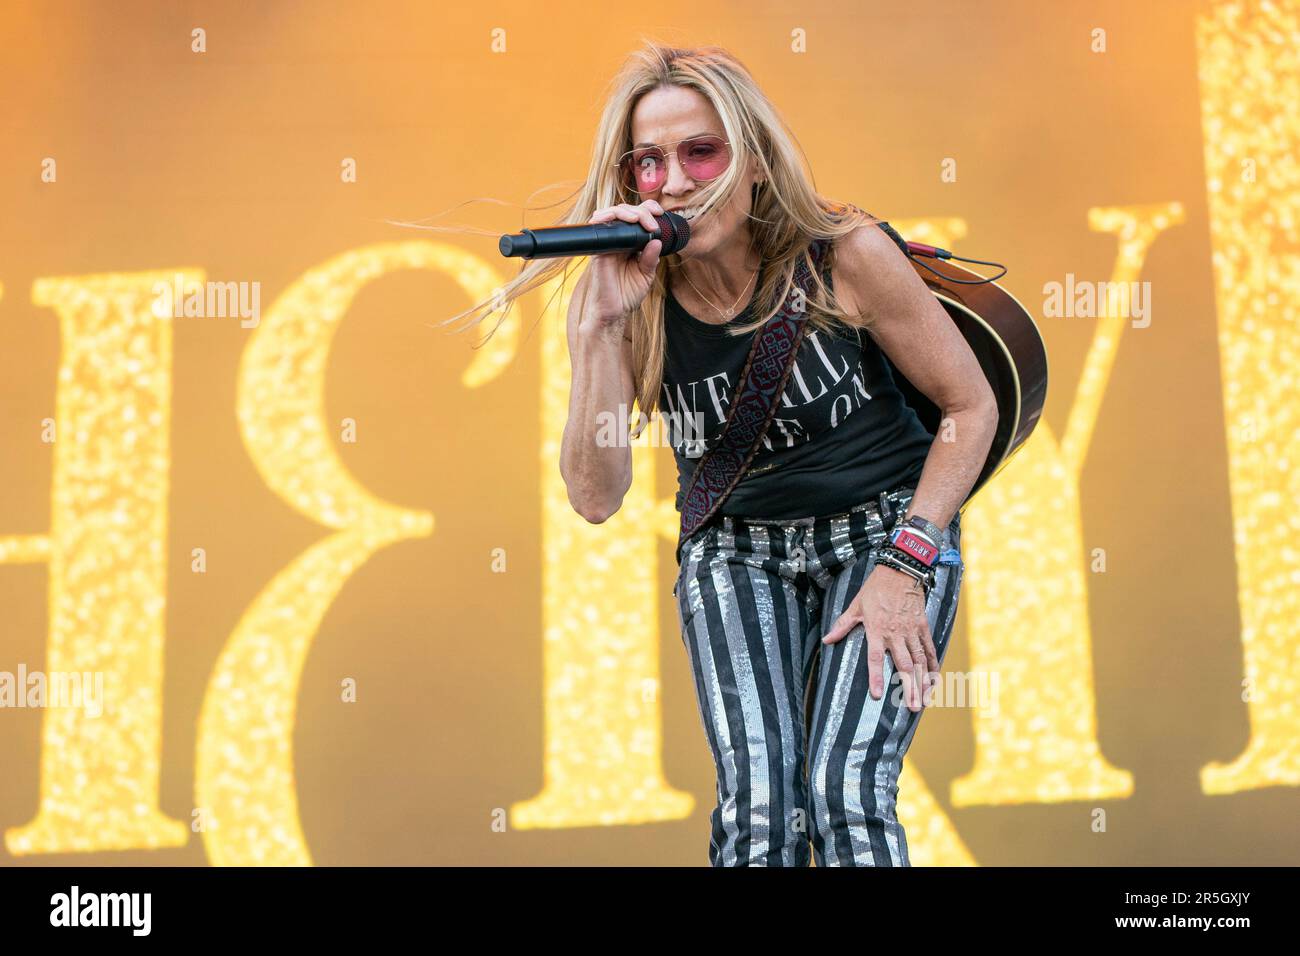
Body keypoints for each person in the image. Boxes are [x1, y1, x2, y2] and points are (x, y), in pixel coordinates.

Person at [450, 42, 998, 866]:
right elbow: (595, 497)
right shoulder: (625, 299)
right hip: (738, 549)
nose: (672, 183)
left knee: (846, 794)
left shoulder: (844, 253)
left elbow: (970, 405)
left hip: (885, 533)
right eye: (648, 163)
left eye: (700, 152)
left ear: (753, 164)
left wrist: (907, 562)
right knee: (761, 815)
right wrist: (596, 328)